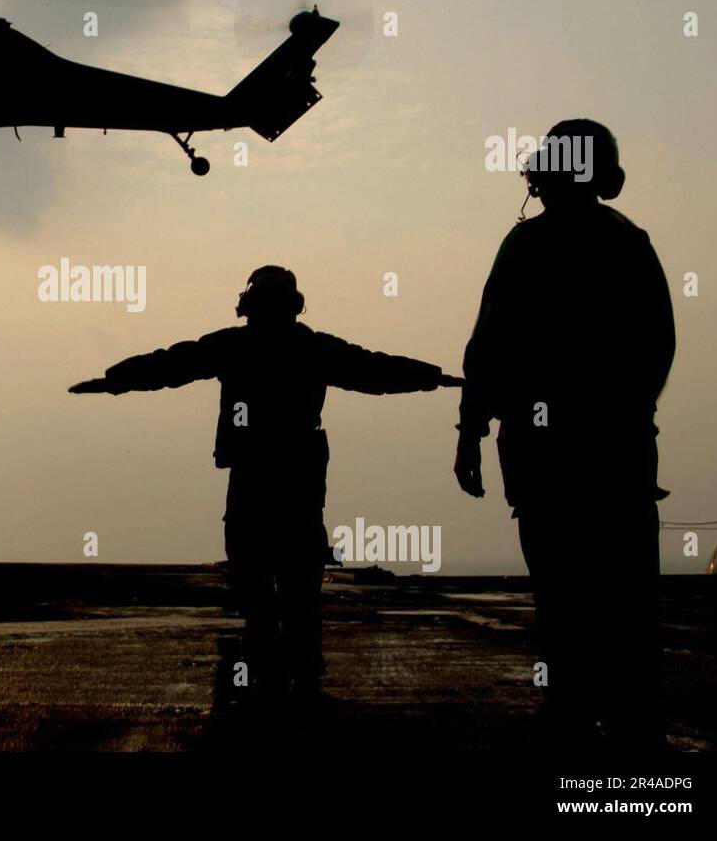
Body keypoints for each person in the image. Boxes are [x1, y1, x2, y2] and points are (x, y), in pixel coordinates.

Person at [71, 266, 461, 706]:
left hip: (258, 469)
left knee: (257, 569)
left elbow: (172, 363)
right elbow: (374, 369)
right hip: (296, 471)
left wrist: (114, 380)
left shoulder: (237, 345)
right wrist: (434, 377)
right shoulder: (310, 348)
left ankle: (274, 666)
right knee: (296, 574)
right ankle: (300, 667)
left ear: (249, 305)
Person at [454, 119, 675, 749]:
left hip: (545, 454)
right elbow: (657, 346)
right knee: (628, 598)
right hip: (617, 453)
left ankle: (571, 718)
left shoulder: (526, 246)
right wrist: (623, 417)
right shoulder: (629, 242)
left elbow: (488, 347)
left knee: (560, 596)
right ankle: (635, 732)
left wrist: (471, 430)